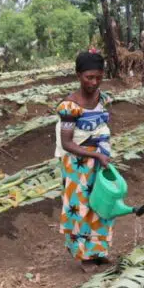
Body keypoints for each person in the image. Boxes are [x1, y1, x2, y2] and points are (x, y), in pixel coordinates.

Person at [55, 52, 114, 273]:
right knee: (80, 208)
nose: (94, 82)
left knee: (101, 204)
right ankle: (84, 255)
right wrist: (95, 154)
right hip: (77, 165)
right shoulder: (70, 107)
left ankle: (99, 251)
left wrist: (103, 150)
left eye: (98, 77)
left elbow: (103, 127)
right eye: (89, 77)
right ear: (78, 75)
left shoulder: (103, 99)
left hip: (100, 159)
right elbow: (68, 143)